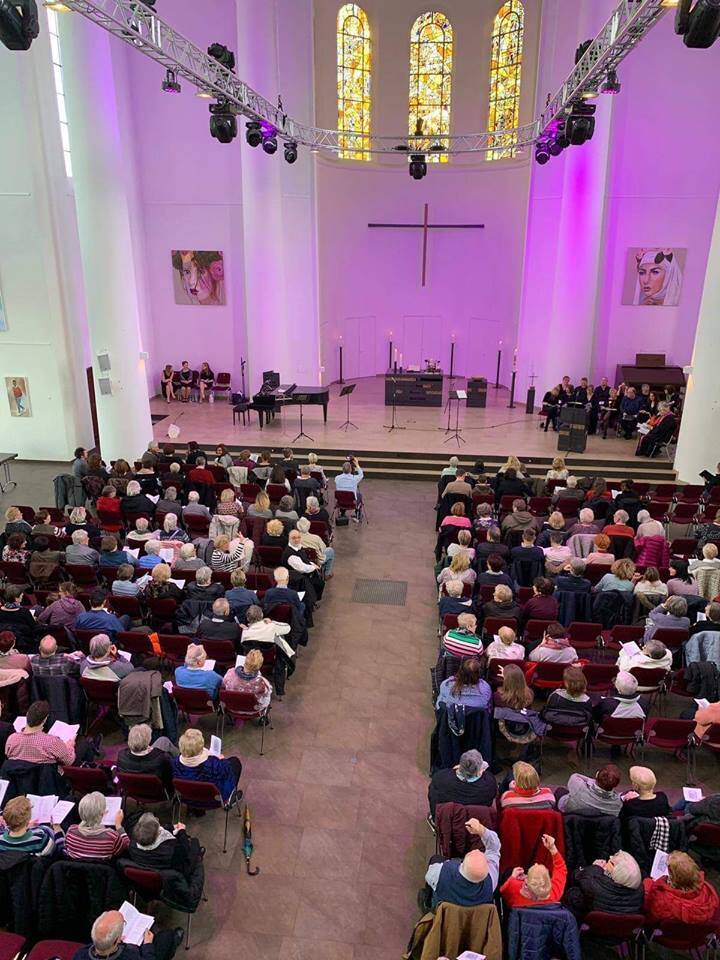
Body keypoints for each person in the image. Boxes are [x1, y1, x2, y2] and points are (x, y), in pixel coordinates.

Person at [424, 819, 501, 908]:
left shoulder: (440, 873)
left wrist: (448, 863)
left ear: (460, 865)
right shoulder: (491, 881)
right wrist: (481, 830)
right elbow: (494, 849)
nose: (476, 850)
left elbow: (428, 876)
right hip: (472, 915)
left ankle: (427, 903)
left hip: (442, 911)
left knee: (435, 859)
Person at [72, 909, 183, 960]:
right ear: (116, 940)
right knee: (166, 937)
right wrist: (148, 944)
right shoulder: (130, 957)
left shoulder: (80, 954)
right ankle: (174, 940)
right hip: (141, 951)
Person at [643, 851, 719, 924]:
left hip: (667, 933)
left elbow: (650, 919)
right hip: (696, 934)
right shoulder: (709, 892)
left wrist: (650, 884)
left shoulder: (662, 899)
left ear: (674, 878)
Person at [565, 851, 644, 919]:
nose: (610, 857)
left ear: (615, 872)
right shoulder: (640, 891)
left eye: (612, 862)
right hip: (624, 933)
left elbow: (575, 876)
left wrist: (595, 867)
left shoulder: (592, 884)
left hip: (593, 931)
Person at [172, 727, 242, 802]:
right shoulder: (213, 764)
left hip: (188, 798)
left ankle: (195, 810)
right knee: (235, 762)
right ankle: (231, 798)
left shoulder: (175, 763)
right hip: (213, 801)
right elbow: (227, 769)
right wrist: (222, 760)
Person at [500, 834, 566, 908]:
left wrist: (512, 877)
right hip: (545, 917)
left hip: (522, 917)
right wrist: (553, 848)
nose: (536, 863)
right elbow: (561, 869)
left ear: (526, 881)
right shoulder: (555, 893)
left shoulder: (514, 888)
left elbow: (502, 892)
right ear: (548, 881)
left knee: (508, 872)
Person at [4, 699, 76, 766]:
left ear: (27, 714)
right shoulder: (53, 742)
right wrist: (70, 746)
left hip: (17, 778)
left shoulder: (11, 739)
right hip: (44, 778)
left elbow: (8, 756)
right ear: (45, 719)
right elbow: (69, 761)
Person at [427, 749, 497, 818]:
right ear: (478, 772)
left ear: (459, 765)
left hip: (448, 819)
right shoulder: (489, 783)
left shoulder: (440, 778)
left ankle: (435, 819)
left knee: (433, 790)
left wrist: (452, 771)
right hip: (474, 822)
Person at [65, 791, 129, 860]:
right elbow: (127, 845)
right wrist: (118, 826)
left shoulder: (70, 831)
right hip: (102, 870)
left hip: (75, 870)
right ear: (102, 814)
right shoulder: (112, 837)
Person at [117, 723, 175, 789]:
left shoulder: (121, 756)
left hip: (133, 791)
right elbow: (170, 778)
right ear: (148, 741)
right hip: (158, 792)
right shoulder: (161, 758)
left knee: (163, 740)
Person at [558, 764, 623, 815]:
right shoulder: (617, 805)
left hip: (569, 816)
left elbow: (575, 776)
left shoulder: (578, 787)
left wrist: (593, 780)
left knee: (560, 791)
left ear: (597, 774)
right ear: (616, 785)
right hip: (598, 828)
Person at [0, 586, 37, 650]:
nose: (22, 598)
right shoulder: (24, 612)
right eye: (21, 597)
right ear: (16, 598)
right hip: (23, 645)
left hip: (3, 643)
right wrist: (33, 619)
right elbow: (34, 628)